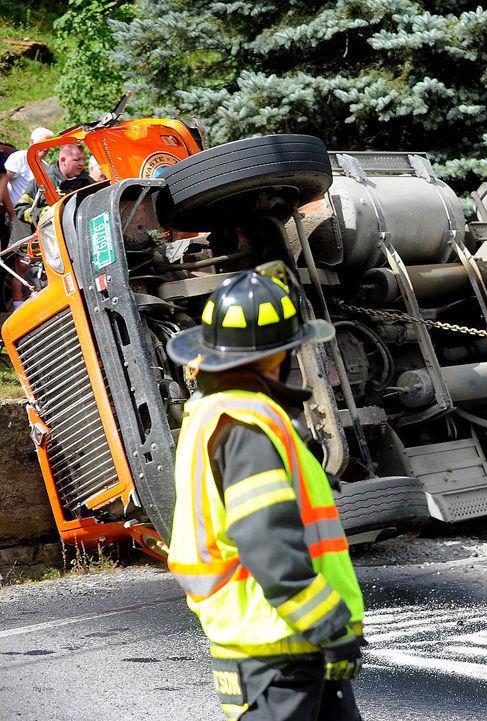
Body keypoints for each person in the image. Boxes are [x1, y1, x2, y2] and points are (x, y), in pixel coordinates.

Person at [165, 264, 365, 721]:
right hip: (280, 650)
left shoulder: (216, 413)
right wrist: (329, 626)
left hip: (280, 648)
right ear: (281, 355)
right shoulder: (246, 426)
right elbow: (267, 543)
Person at [13, 143, 94, 229]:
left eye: (82, 159)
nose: (81, 163)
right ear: (63, 160)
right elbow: (20, 210)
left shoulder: (88, 183)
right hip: (51, 237)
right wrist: (45, 214)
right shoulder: (42, 182)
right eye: (76, 160)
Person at [0, 127, 54, 243]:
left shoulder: (46, 167)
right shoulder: (19, 158)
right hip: (16, 212)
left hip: (34, 216)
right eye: (42, 144)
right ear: (31, 143)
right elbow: (3, 181)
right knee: (18, 250)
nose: (45, 148)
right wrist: (10, 210)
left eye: (48, 144)